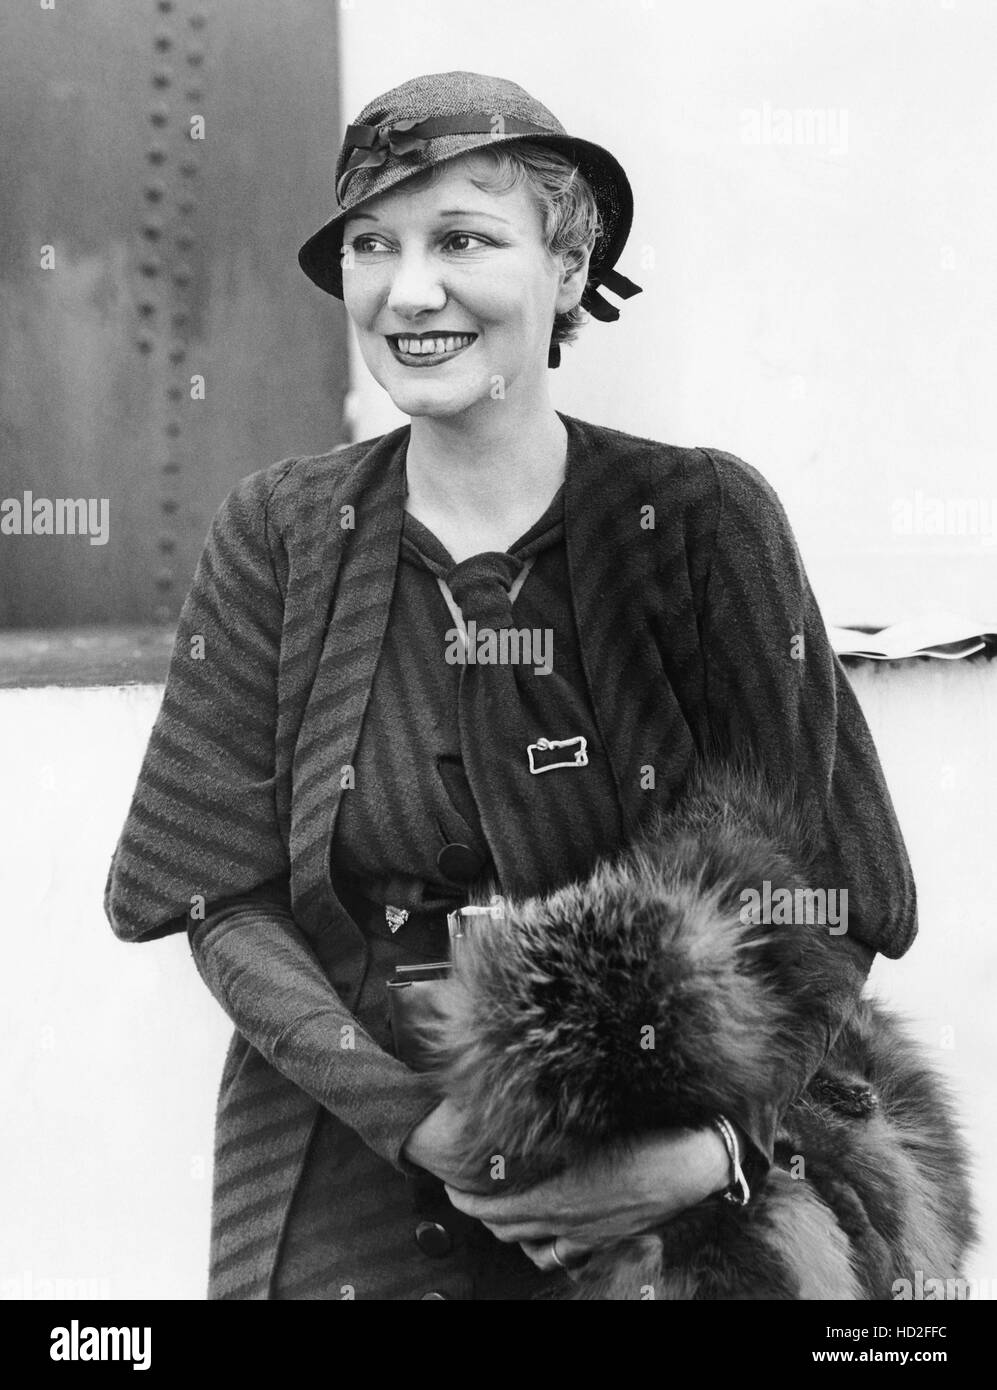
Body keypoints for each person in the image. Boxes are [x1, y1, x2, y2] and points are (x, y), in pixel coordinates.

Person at [103, 70, 918, 1300]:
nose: (406, 288)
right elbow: (221, 894)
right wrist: (426, 1131)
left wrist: (704, 1154)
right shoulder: (277, 530)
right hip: (347, 1192)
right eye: (372, 245)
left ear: (569, 270)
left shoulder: (699, 522)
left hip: (666, 1207)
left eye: (463, 239)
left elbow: (829, 892)